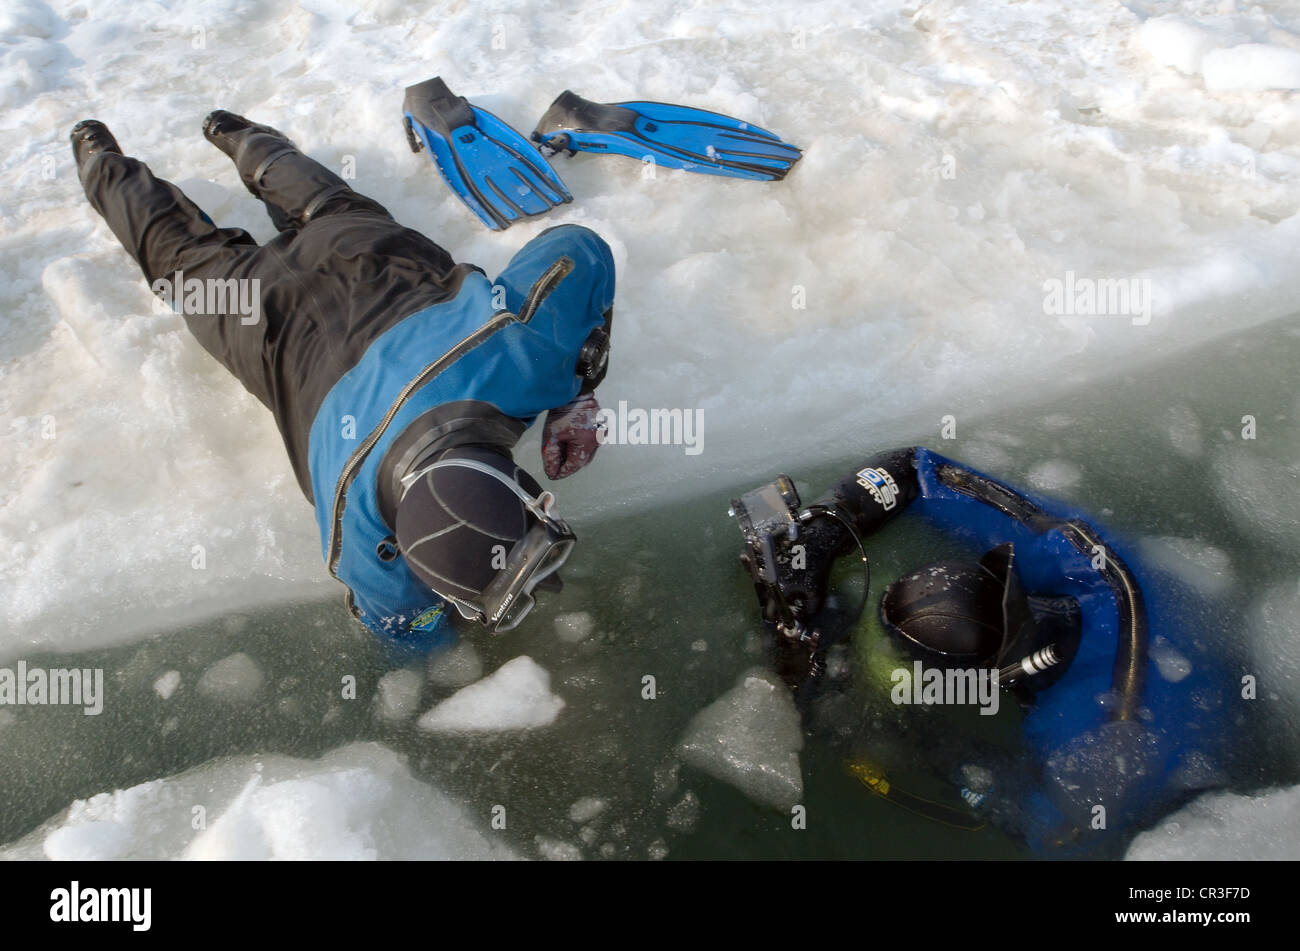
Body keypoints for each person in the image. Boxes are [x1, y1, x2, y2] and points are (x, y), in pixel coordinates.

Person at [70, 113, 616, 651]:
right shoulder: (353, 536)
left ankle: (234, 141)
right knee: (186, 264)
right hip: (264, 325)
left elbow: (576, 246)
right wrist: (446, 629)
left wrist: (575, 384)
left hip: (364, 260)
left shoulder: (522, 360)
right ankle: (114, 161)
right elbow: (406, 628)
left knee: (327, 209)